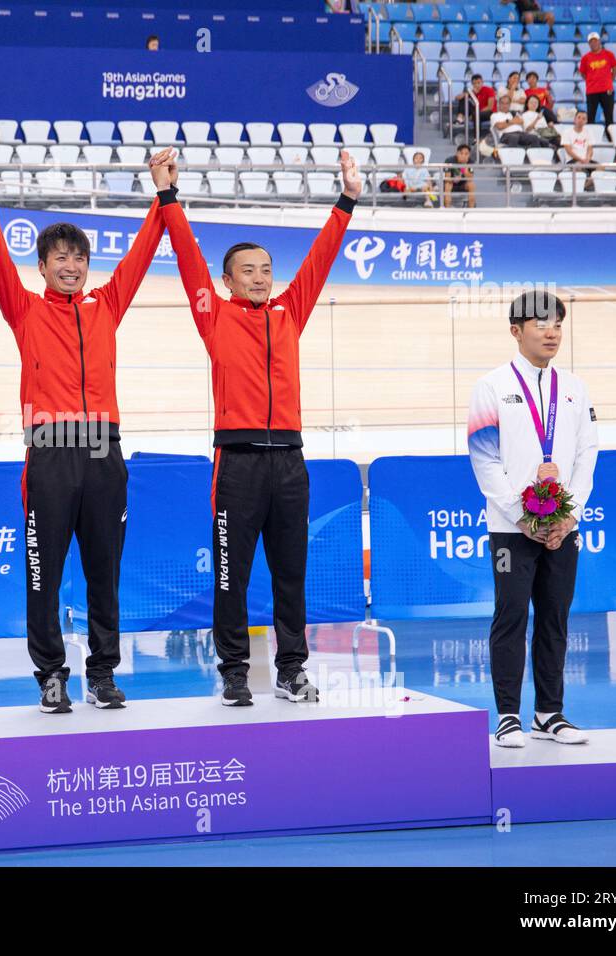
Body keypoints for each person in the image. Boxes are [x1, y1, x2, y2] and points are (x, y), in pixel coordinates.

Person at [154, 149, 361, 707]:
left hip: (290, 463)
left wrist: (346, 199)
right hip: (237, 463)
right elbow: (186, 255)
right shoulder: (213, 313)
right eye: (248, 271)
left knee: (291, 575)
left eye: (267, 270)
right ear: (226, 280)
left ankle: (292, 671)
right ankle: (235, 672)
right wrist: (168, 196)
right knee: (232, 576)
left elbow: (319, 259)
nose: (260, 278)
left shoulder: (290, 312)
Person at [0, 152, 172, 714]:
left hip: (104, 452)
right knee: (44, 574)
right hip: (49, 455)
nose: (70, 265)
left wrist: (162, 196)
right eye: (59, 257)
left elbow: (140, 255)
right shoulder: (25, 309)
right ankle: (50, 675)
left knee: (104, 573)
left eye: (79, 257)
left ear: (89, 265)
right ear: (41, 266)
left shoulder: (107, 304)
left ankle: (103, 674)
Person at [468, 291, 597, 748]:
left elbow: (586, 455)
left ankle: (549, 712)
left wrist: (569, 515)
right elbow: (485, 461)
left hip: (563, 528)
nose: (551, 331)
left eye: (558, 324)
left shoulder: (576, 389)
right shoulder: (491, 386)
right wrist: (523, 517)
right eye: (541, 323)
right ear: (515, 331)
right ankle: (507, 715)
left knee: (555, 618)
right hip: (511, 527)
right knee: (511, 617)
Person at [579, 32, 616, 130]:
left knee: (609, 116)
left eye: (595, 40)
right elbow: (582, 73)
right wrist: (591, 80)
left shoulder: (609, 54)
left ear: (599, 41)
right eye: (591, 41)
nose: (593, 43)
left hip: (607, 90)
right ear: (589, 44)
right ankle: (592, 139)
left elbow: (615, 68)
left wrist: (609, 81)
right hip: (592, 91)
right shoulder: (585, 58)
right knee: (591, 117)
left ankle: (610, 138)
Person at [560, 110, 595, 188]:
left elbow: (590, 148)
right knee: (578, 165)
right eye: (579, 117)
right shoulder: (567, 132)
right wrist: (581, 159)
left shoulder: (589, 132)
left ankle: (584, 187)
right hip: (572, 160)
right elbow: (569, 151)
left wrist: (588, 158)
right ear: (574, 119)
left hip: (585, 159)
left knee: (601, 167)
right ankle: (579, 188)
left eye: (583, 118)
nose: (581, 120)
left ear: (586, 121)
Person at [443, 143, 477, 208]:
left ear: (469, 155)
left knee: (471, 185)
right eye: (461, 153)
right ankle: (447, 210)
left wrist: (464, 166)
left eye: (466, 154)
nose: (464, 156)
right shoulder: (449, 160)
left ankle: (471, 210)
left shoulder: (470, 162)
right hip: (451, 183)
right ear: (457, 153)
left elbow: (470, 178)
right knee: (447, 185)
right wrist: (454, 179)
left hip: (463, 184)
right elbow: (447, 178)